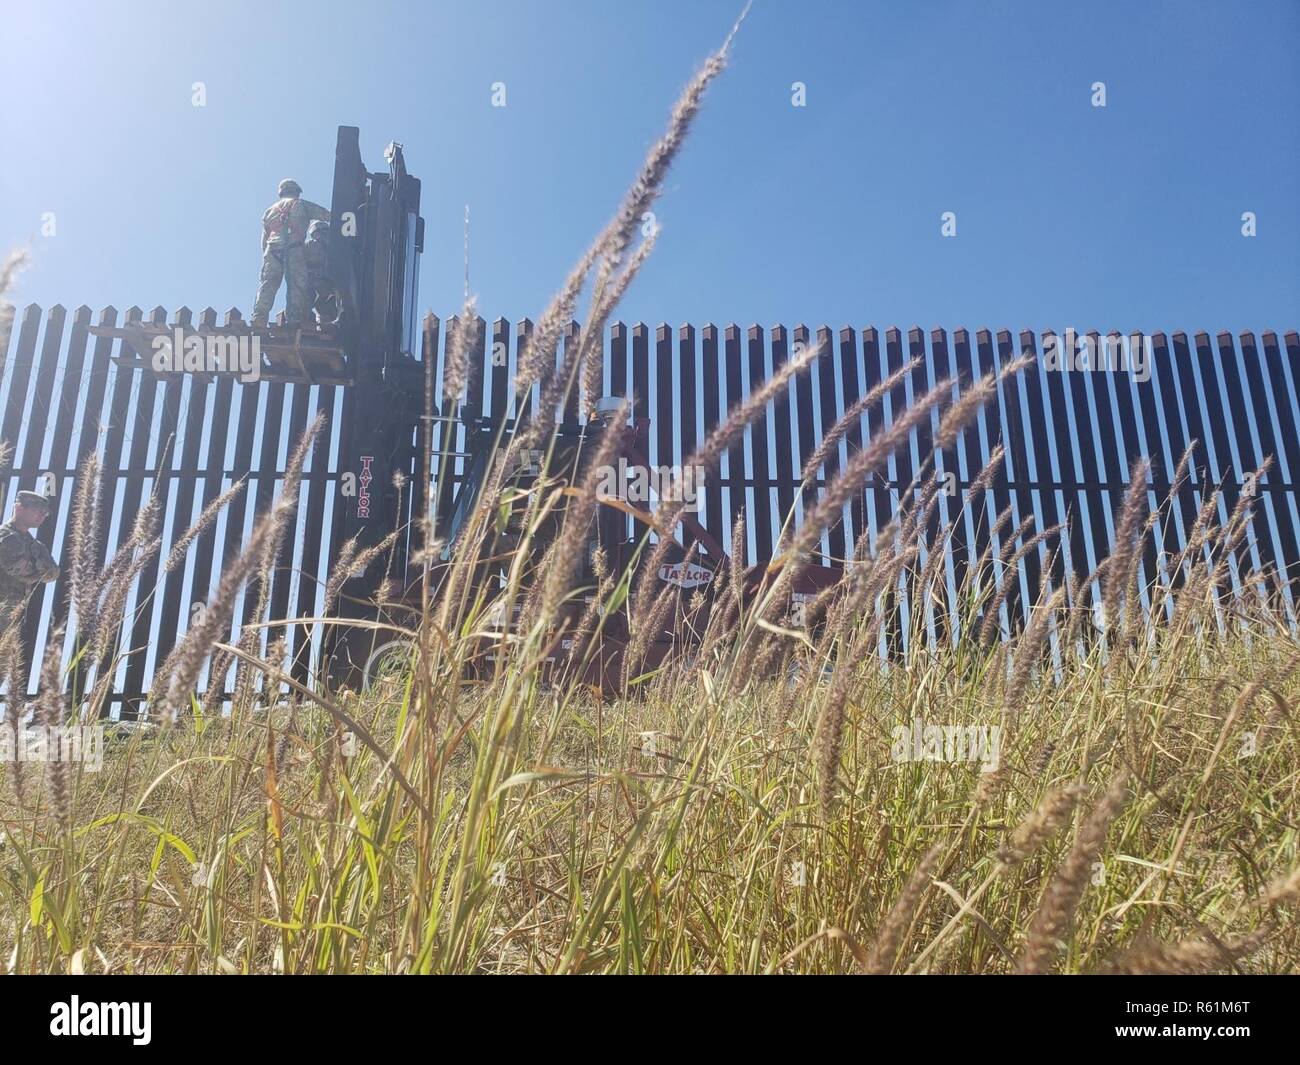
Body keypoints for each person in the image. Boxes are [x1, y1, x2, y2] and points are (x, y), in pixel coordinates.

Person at [251, 179, 330, 327]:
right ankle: (295, 321)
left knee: (268, 285)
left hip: (272, 250)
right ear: (296, 191)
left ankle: (258, 318)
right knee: (297, 286)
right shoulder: (301, 204)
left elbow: (264, 238)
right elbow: (327, 215)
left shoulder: (269, 211)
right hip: (293, 249)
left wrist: (267, 255)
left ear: (281, 192)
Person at [0, 491, 59, 627]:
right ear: (19, 508)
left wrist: (33, 565)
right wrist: (39, 569)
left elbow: (53, 573)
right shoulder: (5, 536)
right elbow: (19, 570)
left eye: (45, 513)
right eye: (38, 511)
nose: (42, 516)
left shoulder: (36, 545)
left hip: (13, 614)